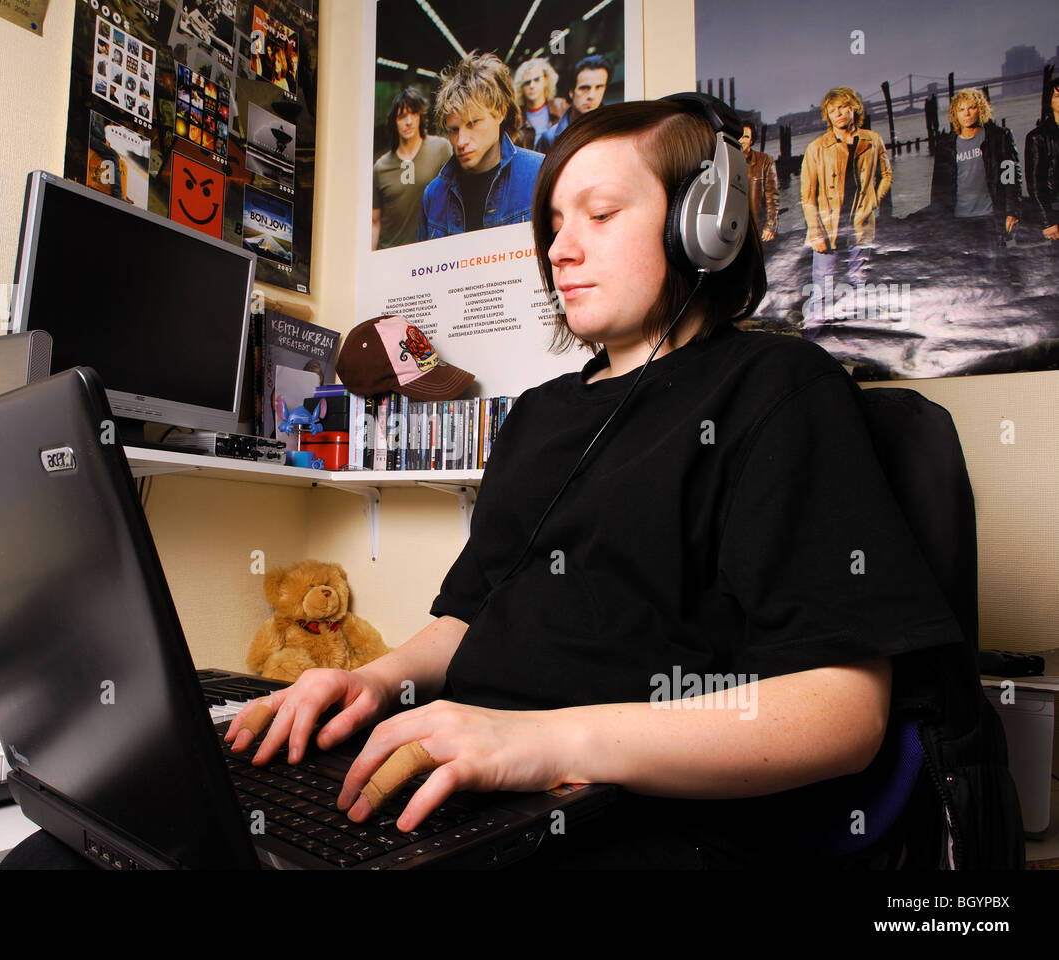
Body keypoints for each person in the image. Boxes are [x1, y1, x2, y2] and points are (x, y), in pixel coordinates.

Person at [226, 98, 965, 868]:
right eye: (553, 226)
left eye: (601, 214)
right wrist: (369, 682)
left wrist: (546, 743)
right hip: (468, 787)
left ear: (708, 223)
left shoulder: (779, 391)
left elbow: (842, 712)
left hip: (639, 821)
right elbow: (467, 620)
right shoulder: (537, 418)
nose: (561, 250)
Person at [417, 51, 543, 240]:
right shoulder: (434, 196)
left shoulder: (539, 175)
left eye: (473, 123)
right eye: (453, 130)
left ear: (499, 113)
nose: (461, 141)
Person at [799, 85, 892, 327]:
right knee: (822, 286)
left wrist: (872, 202)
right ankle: (813, 335)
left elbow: (887, 176)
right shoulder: (816, 148)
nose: (838, 113)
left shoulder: (873, 140)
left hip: (861, 223)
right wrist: (815, 232)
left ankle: (854, 333)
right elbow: (807, 198)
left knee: (858, 281)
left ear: (854, 109)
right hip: (828, 226)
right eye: (832, 110)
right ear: (827, 116)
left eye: (843, 107)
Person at [930, 88, 1020, 250]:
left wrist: (1011, 211)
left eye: (972, 108)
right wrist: (940, 224)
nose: (967, 113)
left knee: (995, 268)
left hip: (990, 216)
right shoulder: (945, 146)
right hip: (959, 219)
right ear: (955, 114)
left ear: (981, 109)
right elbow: (938, 188)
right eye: (961, 110)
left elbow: (1011, 177)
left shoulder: (998, 137)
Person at [372, 87, 451, 250]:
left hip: (431, 250)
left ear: (421, 117)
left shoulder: (442, 149)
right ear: (394, 122)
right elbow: (375, 221)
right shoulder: (381, 167)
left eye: (413, 114)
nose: (408, 121)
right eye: (402, 116)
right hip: (391, 250)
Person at [535, 55, 610, 153]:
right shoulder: (550, 138)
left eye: (599, 87)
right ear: (571, 92)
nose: (592, 95)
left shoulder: (616, 132)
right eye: (584, 88)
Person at [1024, 67, 1058, 244]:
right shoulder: (1037, 137)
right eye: (1058, 96)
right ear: (1049, 102)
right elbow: (1035, 183)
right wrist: (1047, 221)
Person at [513, 57, 566, 150]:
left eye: (536, 79)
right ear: (521, 87)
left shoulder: (561, 107)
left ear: (546, 80)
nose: (532, 85)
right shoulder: (516, 118)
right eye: (527, 82)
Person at [739, 123, 778, 241]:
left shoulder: (765, 161)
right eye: (739, 136)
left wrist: (770, 225)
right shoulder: (726, 162)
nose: (741, 140)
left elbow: (772, 196)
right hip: (734, 229)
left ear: (751, 140)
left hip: (757, 228)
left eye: (746, 137)